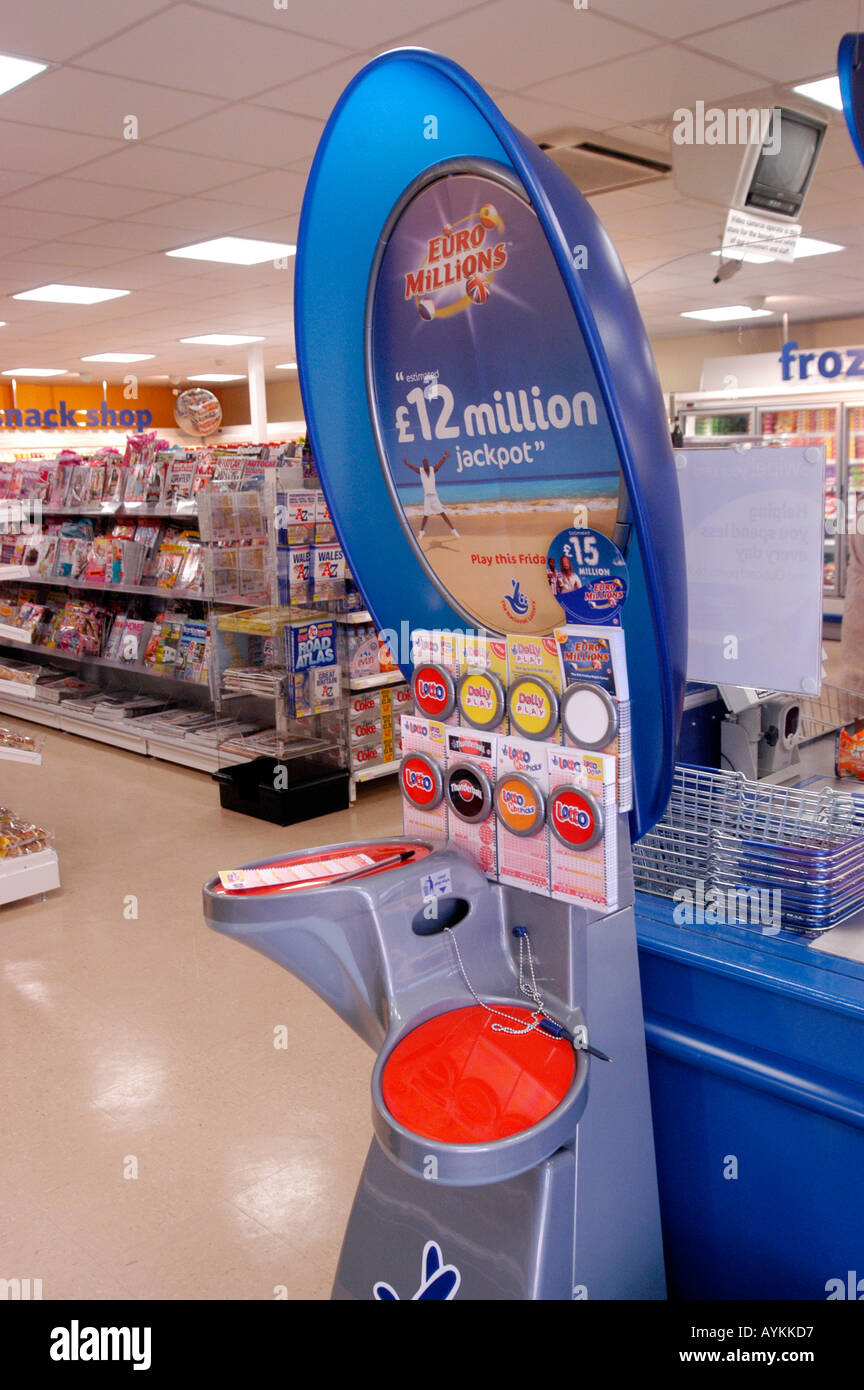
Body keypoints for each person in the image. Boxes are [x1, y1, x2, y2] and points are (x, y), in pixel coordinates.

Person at [403, 452, 460, 539]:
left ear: (428, 464)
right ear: (423, 465)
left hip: (434, 496)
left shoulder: (433, 469)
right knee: (426, 516)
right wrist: (407, 464)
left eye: (426, 463)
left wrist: (445, 456)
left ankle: (453, 530)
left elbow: (440, 464)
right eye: (424, 463)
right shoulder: (421, 471)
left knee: (442, 514)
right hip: (427, 497)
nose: (425, 464)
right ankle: (421, 532)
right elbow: (413, 468)